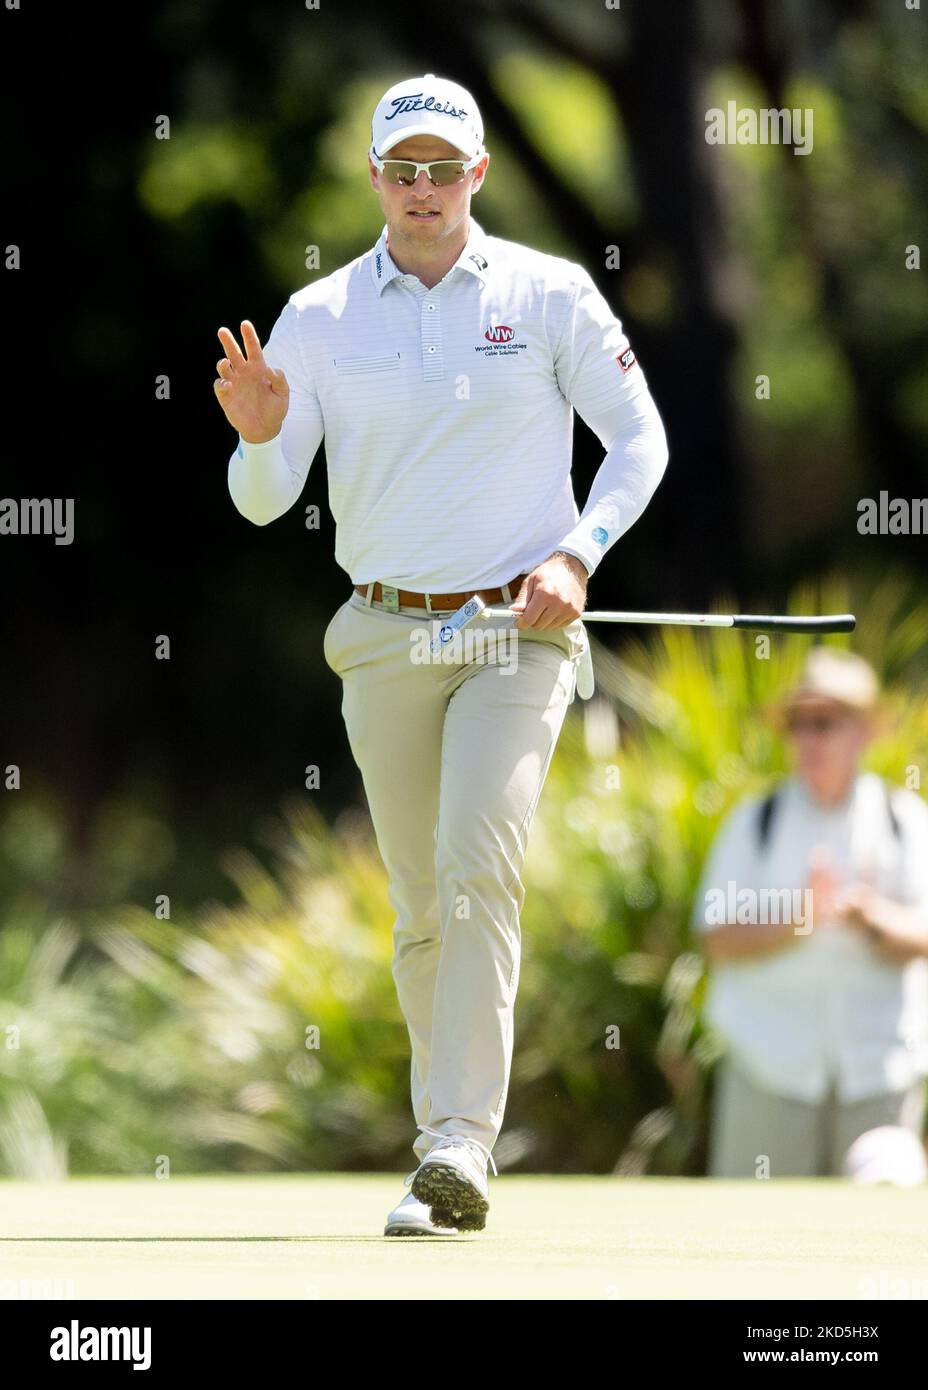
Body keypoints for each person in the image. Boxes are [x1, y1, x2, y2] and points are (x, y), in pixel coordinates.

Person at [216, 73, 669, 1233]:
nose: (422, 189)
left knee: (478, 863)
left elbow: (637, 442)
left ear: (478, 173)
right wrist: (263, 439)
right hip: (381, 631)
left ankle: (458, 1145)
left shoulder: (549, 293)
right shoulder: (318, 318)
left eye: (442, 168)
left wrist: (577, 555)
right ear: (375, 180)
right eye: (401, 170)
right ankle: (445, 1140)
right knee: (421, 902)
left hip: (514, 630)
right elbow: (265, 502)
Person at [692, 646, 928, 1178]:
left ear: (863, 730)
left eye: (824, 722)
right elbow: (714, 938)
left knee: (879, 1244)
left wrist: (873, 920)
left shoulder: (906, 820)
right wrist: (798, 918)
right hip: (768, 1069)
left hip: (879, 1074)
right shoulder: (756, 820)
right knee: (753, 1242)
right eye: (798, 724)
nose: (809, 739)